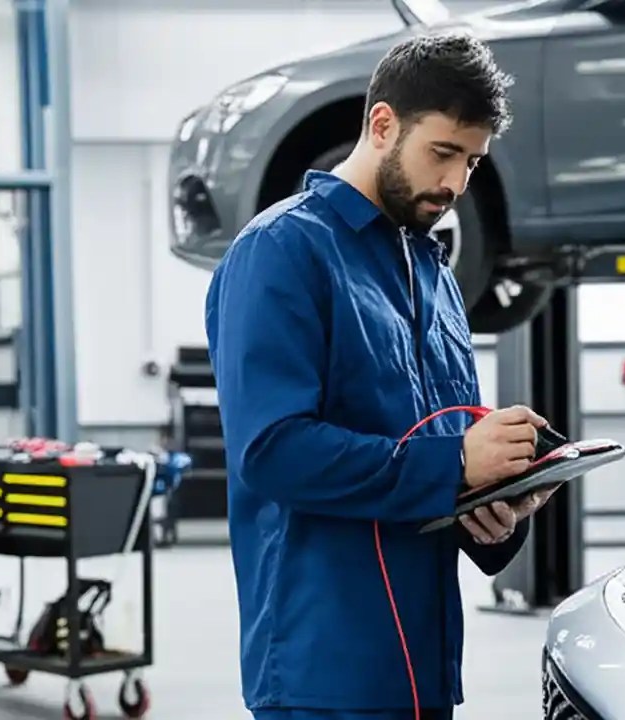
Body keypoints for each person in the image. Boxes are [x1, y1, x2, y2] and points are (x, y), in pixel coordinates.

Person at [204, 31, 557, 720]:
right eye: (443, 153)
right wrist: (453, 462)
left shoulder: (433, 274)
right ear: (382, 124)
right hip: (322, 667)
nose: (455, 183)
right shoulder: (281, 253)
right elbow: (272, 452)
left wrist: (494, 502)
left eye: (474, 162)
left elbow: (439, 452)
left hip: (422, 665)